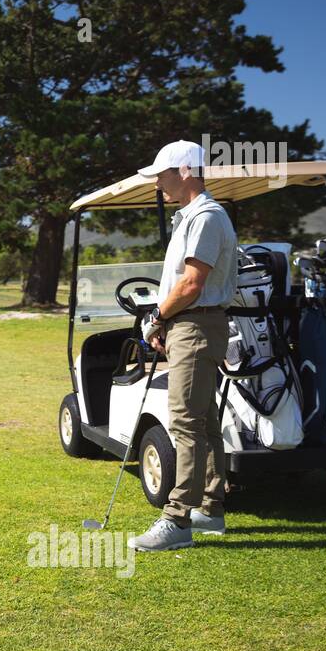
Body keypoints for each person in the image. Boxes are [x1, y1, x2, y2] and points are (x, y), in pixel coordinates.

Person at [129, 140, 237, 552]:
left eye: (162, 174)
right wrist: (164, 323)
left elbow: (192, 284)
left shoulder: (207, 216)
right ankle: (209, 511)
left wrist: (157, 317)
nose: (157, 184)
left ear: (186, 171)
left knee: (185, 424)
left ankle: (177, 519)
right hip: (188, 325)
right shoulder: (190, 217)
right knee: (204, 421)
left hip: (196, 325)